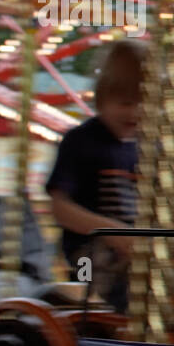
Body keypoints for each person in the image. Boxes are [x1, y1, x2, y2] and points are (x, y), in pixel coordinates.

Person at [45, 40, 145, 311]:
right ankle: (100, 324)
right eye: (125, 103)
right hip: (89, 252)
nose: (134, 113)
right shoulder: (81, 141)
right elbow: (60, 208)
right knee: (106, 271)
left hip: (133, 249)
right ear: (102, 99)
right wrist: (113, 232)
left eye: (143, 103)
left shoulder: (146, 146)